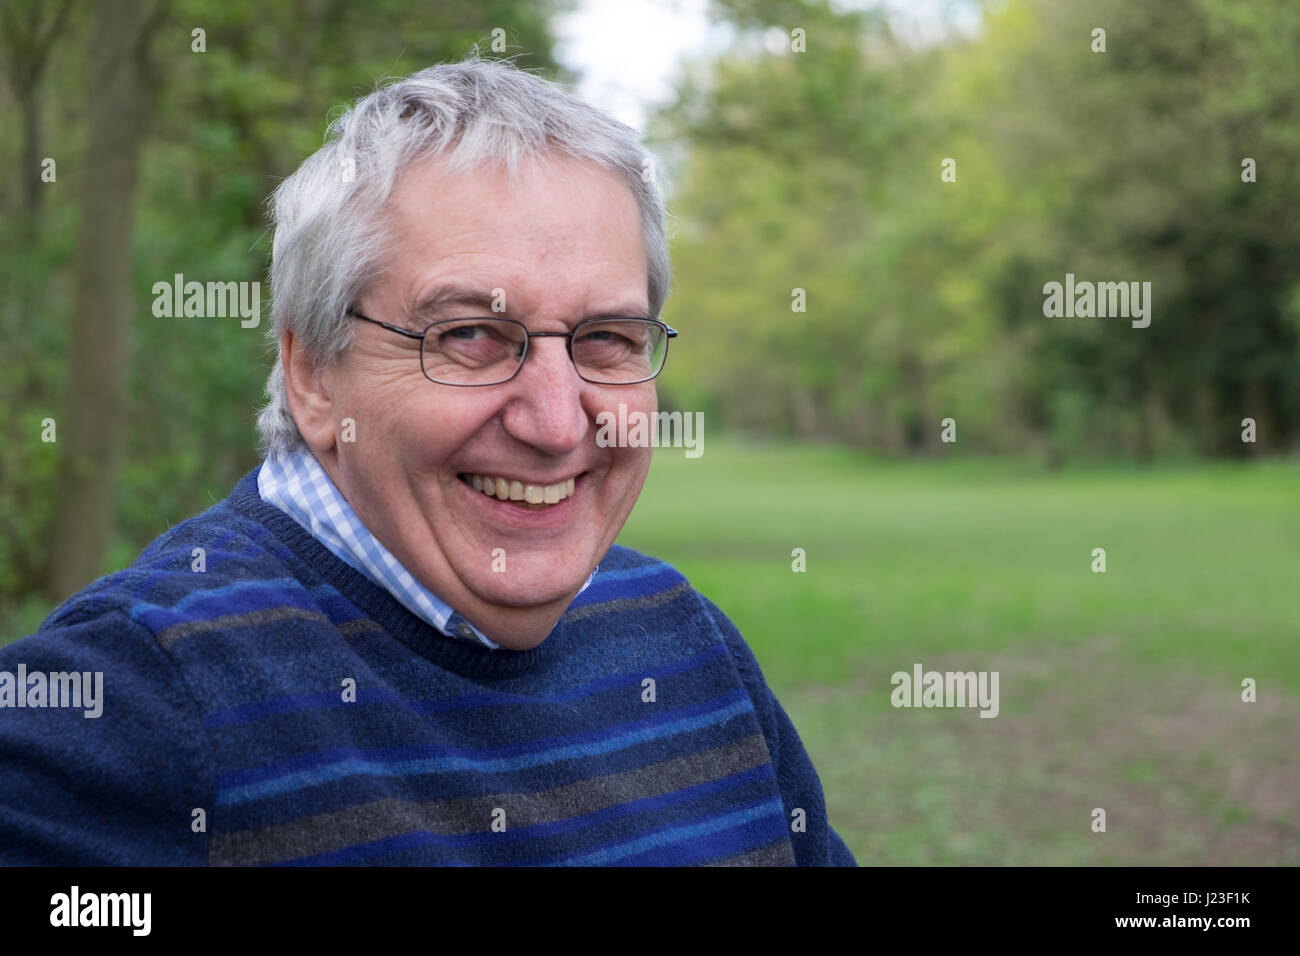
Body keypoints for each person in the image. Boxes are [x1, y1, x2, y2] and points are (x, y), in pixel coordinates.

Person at [0, 56, 855, 867]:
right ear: (312, 374)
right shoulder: (140, 697)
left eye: (604, 339)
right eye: (472, 337)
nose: (558, 423)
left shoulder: (685, 639)